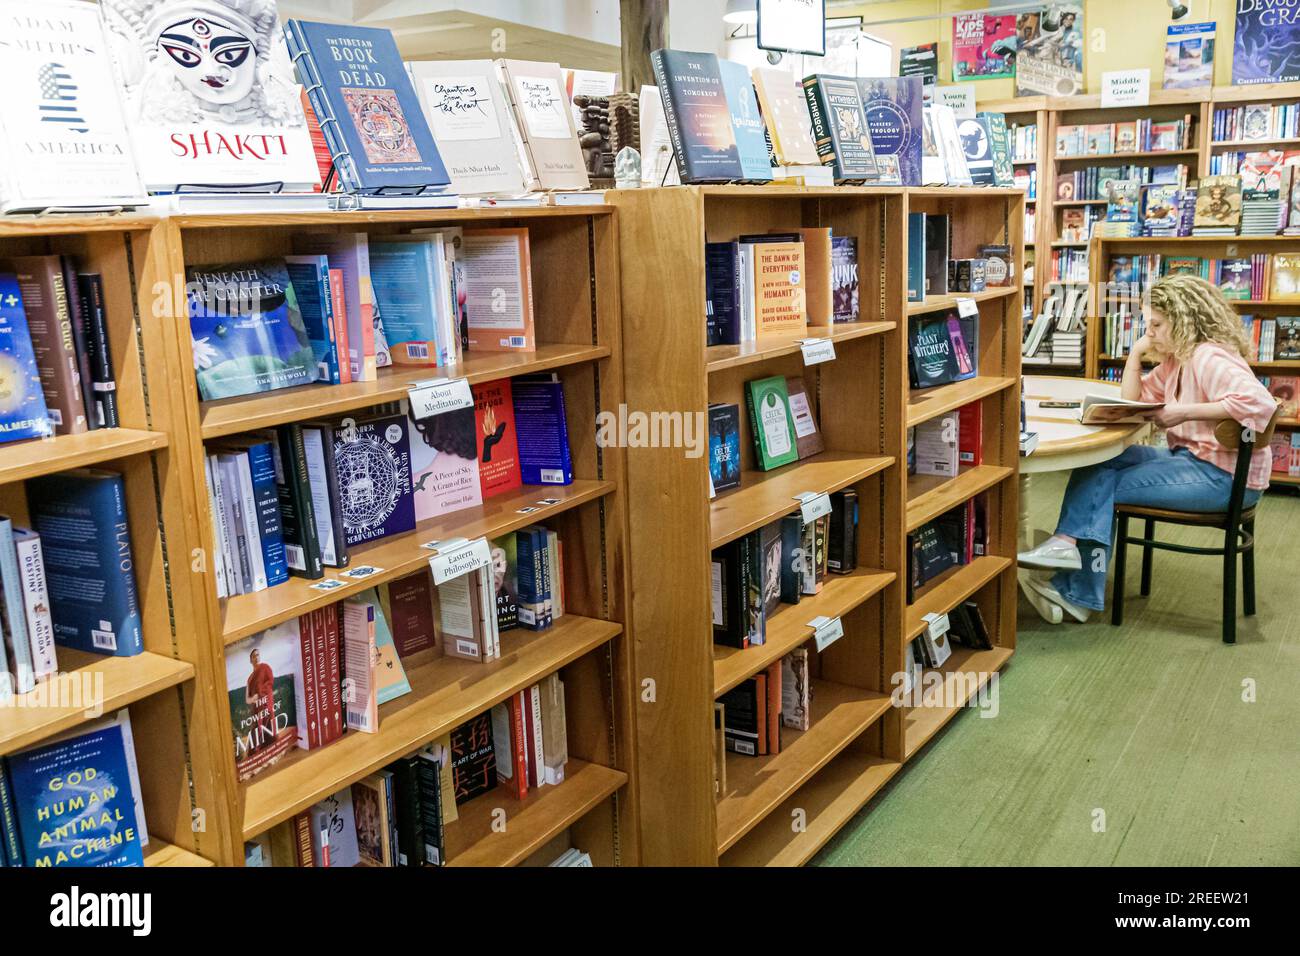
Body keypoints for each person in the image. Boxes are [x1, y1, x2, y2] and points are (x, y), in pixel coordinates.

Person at [1018, 275, 1277, 623]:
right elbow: (1132, 400)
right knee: (1104, 460)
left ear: (1183, 321)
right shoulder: (1177, 360)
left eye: (1156, 324)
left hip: (1224, 479)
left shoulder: (1208, 357)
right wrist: (1137, 354)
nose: (1149, 331)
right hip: (1192, 462)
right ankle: (1068, 554)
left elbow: (1260, 403)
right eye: (1146, 324)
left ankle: (1076, 589)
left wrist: (1183, 412)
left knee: (1102, 488)